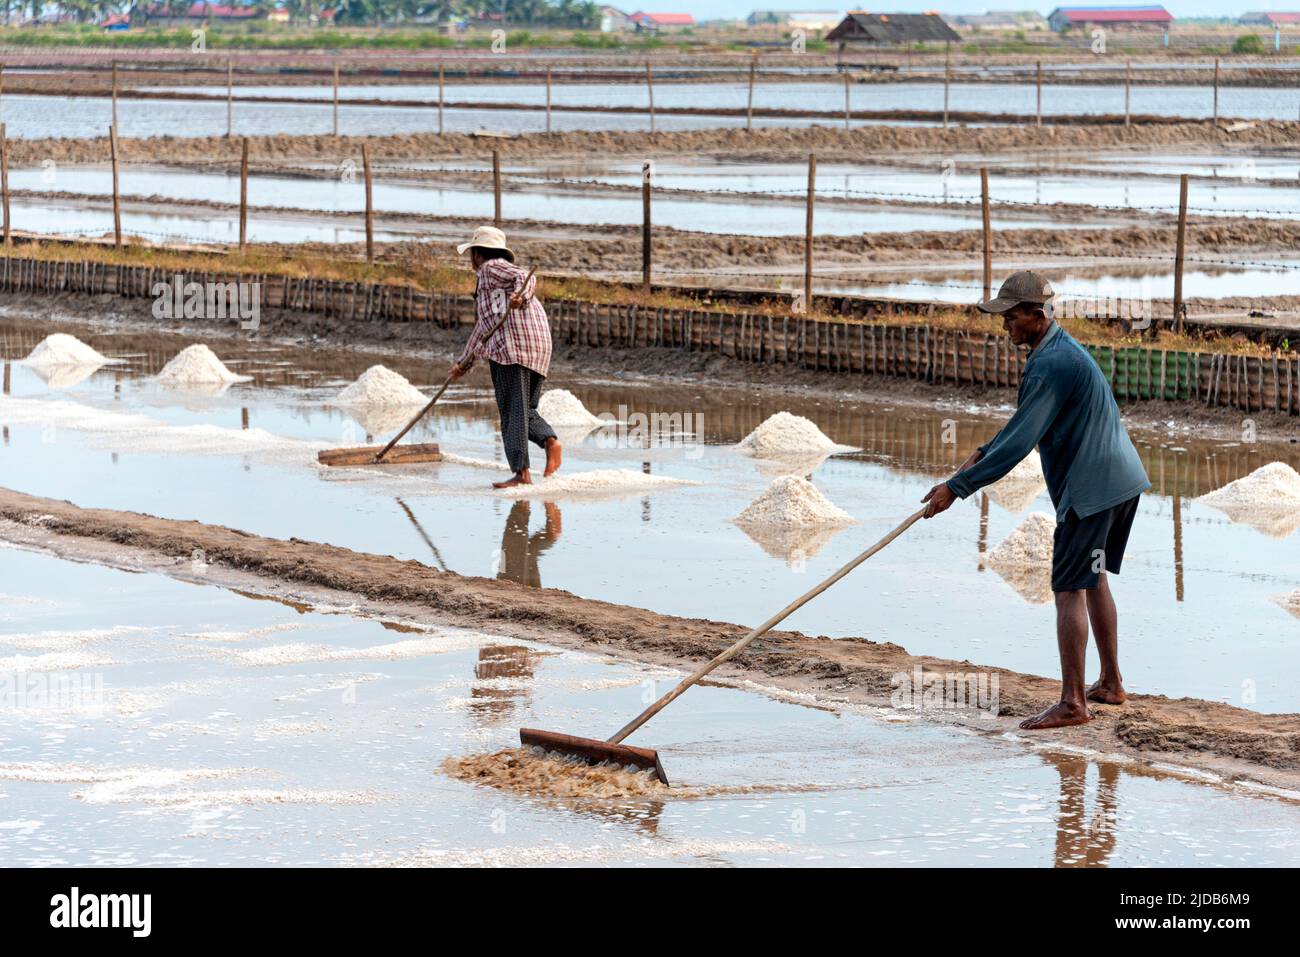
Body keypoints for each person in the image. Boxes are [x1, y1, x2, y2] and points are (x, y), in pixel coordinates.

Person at [921, 271, 1151, 731]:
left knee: (1068, 587)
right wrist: (982, 453)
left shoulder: (1050, 364)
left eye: (1011, 316)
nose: (1004, 324)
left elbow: (1020, 443)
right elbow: (1024, 424)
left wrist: (956, 488)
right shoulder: (1059, 352)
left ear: (1037, 315)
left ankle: (1072, 703)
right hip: (1120, 481)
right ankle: (1109, 683)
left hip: (1092, 490)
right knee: (1094, 577)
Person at [448, 226, 561, 489]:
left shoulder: (490, 268)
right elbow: (483, 329)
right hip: (537, 346)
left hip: (512, 349)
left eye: (471, 253)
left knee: (511, 412)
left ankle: (522, 473)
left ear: (478, 254)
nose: (471, 260)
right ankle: (551, 443)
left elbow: (524, 277)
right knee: (525, 410)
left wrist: (520, 298)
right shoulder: (490, 287)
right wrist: (463, 364)